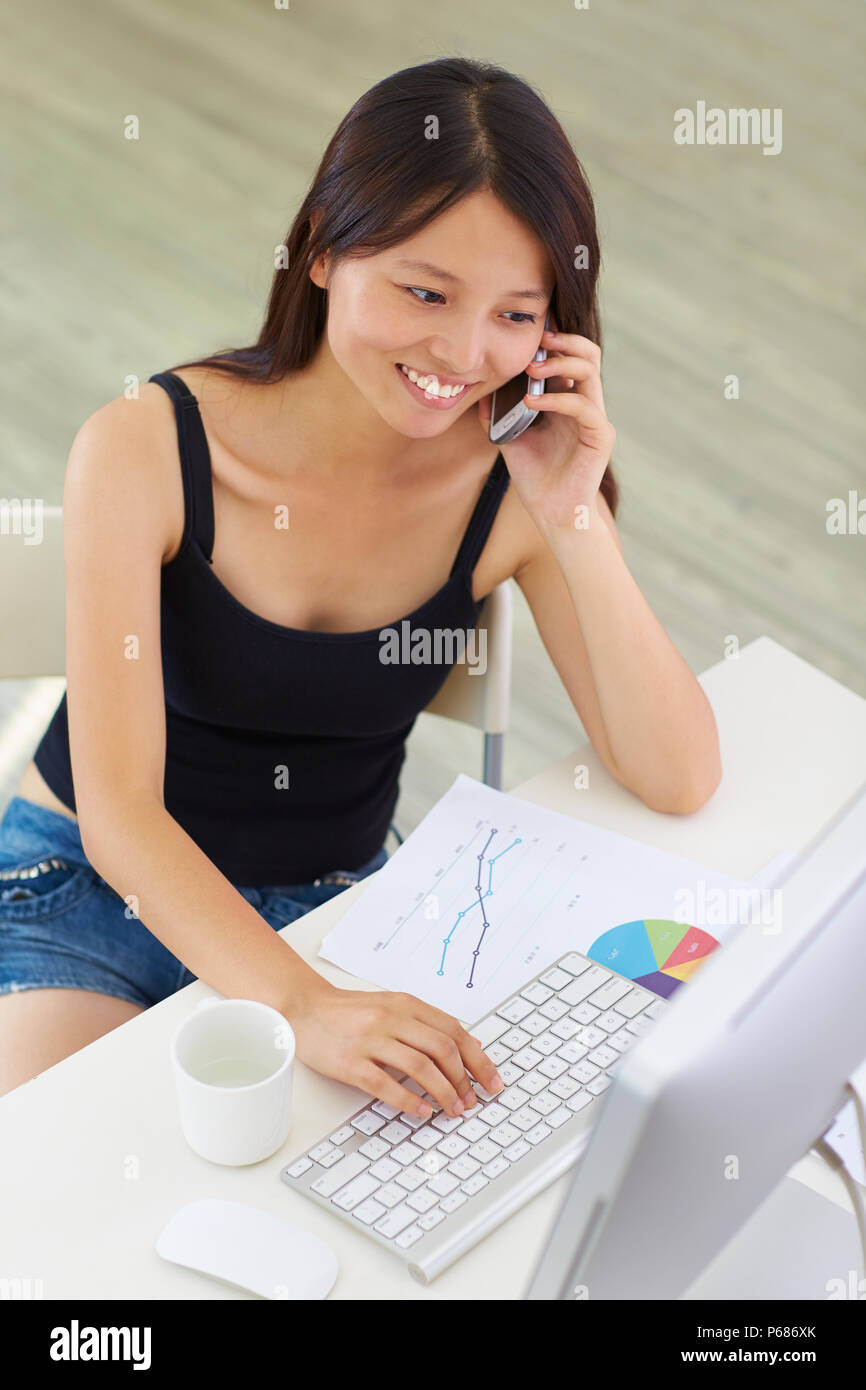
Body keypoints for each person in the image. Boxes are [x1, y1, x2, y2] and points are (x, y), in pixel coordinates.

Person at [0, 57, 721, 1102]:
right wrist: (301, 1007)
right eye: (425, 292)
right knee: (48, 1191)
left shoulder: (509, 486)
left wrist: (571, 513)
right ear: (325, 253)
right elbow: (119, 816)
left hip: (333, 908)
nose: (462, 352)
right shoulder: (143, 448)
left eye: (514, 314)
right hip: (91, 889)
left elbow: (677, 775)